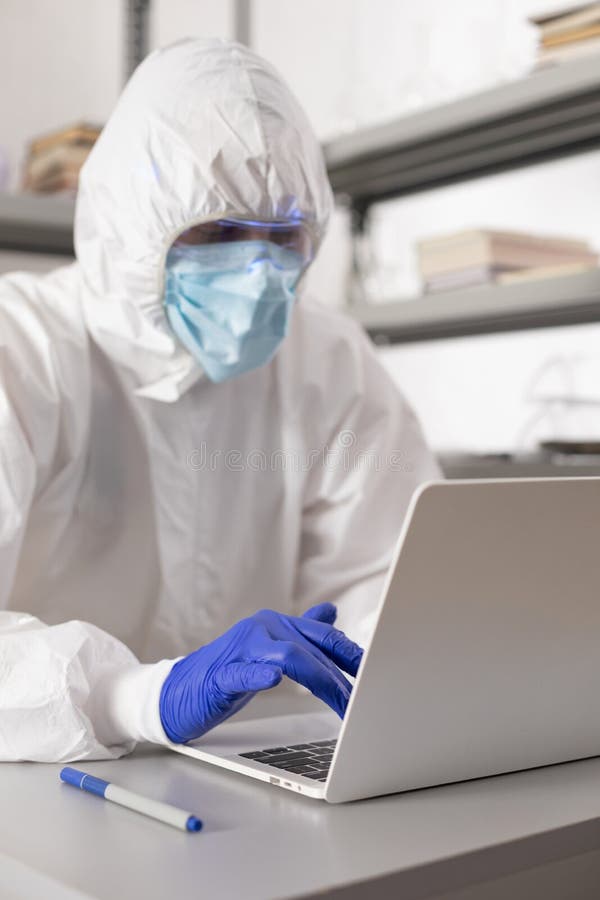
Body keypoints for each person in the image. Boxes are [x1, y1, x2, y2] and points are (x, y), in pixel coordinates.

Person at [0, 38, 440, 762]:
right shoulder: (25, 354)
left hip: (251, 774)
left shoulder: (329, 361)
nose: (260, 270)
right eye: (219, 232)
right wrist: (135, 697)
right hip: (41, 774)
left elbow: (392, 575)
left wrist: (387, 660)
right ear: (131, 226)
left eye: (283, 235)